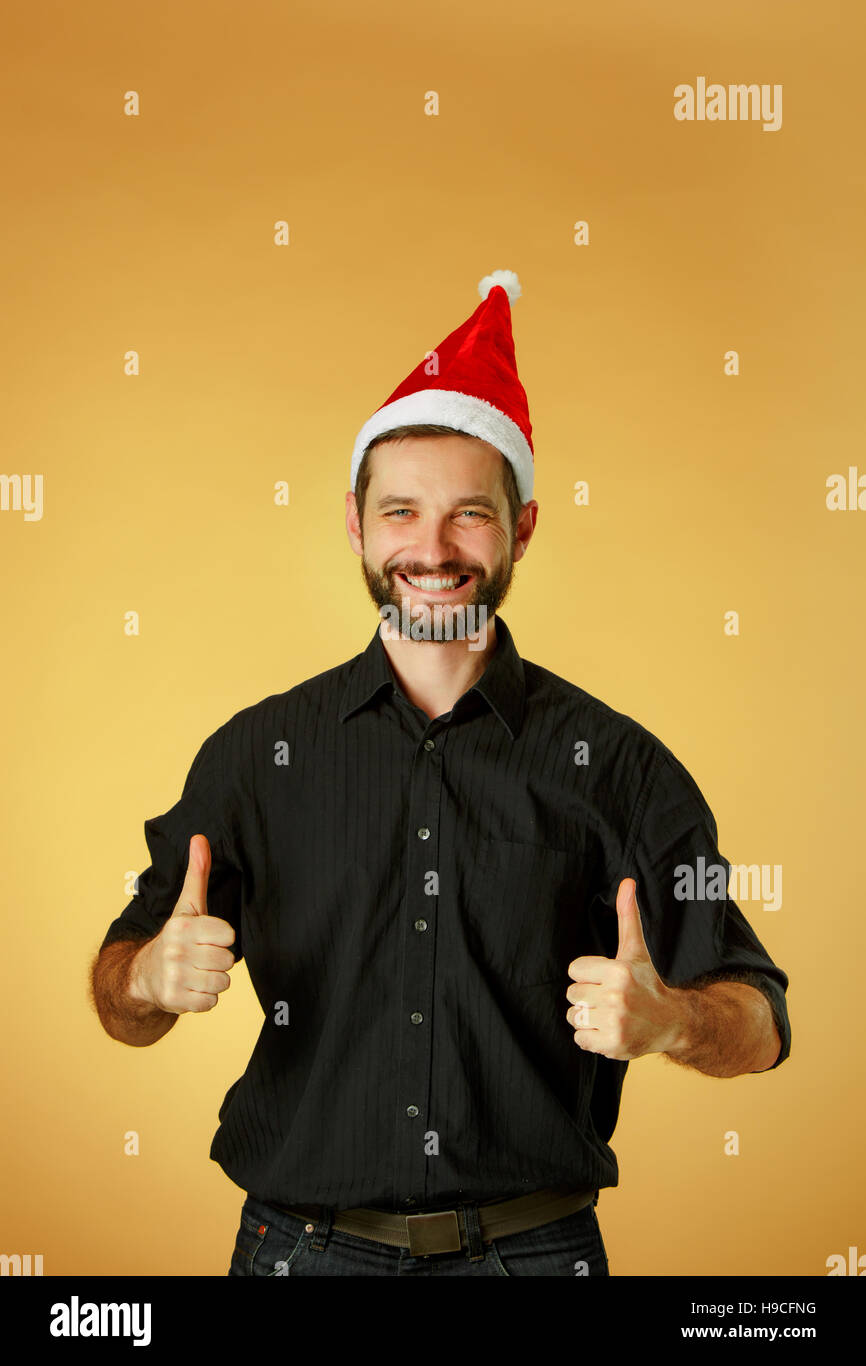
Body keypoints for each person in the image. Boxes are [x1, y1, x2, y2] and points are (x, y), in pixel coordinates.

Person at [89, 271, 791, 1277]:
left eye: (468, 513)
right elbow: (119, 992)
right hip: (298, 1250)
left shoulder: (621, 766)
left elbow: (760, 1023)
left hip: (532, 1253)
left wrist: (672, 1019)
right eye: (401, 512)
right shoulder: (254, 755)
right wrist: (148, 980)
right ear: (354, 523)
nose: (430, 547)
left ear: (522, 528)